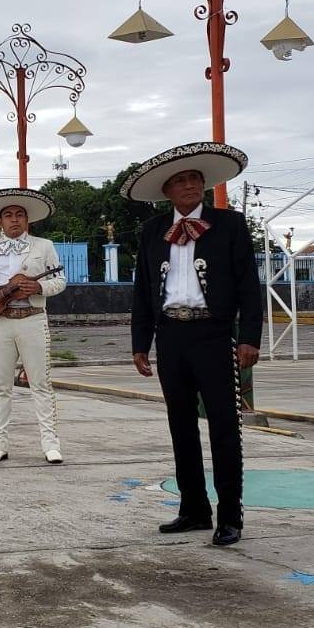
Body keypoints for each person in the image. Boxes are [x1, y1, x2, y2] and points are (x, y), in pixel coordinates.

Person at [121, 141, 262, 547]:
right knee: (180, 426)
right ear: (166, 191)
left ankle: (230, 516)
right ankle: (193, 508)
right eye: (180, 180)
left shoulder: (230, 224)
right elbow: (143, 291)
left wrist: (249, 337)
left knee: (224, 427)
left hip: (215, 336)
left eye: (195, 179)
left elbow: (249, 287)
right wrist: (140, 343)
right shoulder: (151, 232)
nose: (189, 185)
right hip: (171, 335)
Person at [0, 188, 66, 464]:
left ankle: (50, 443)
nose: (14, 220)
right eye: (8, 215)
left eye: (19, 215)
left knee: (41, 383)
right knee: (0, 385)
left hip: (32, 318)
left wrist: (38, 286)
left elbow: (60, 281)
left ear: (27, 220)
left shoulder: (44, 246)